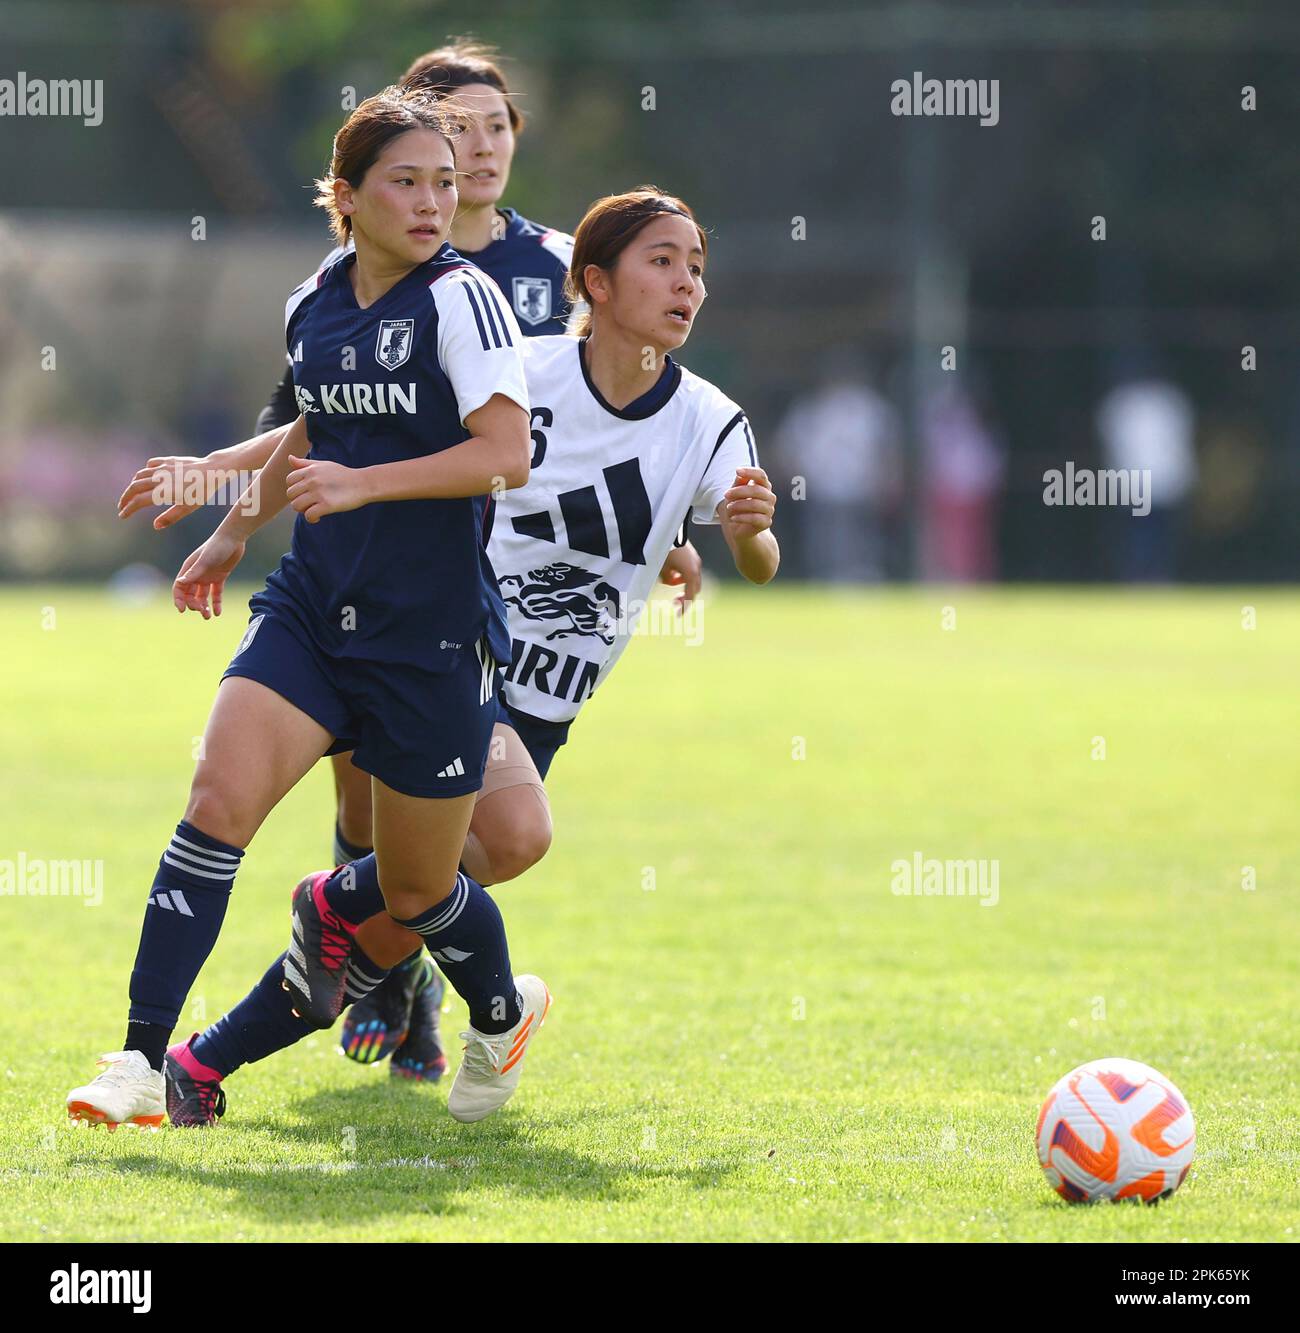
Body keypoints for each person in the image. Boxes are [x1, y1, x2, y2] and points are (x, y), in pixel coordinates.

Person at [132, 186, 779, 1126]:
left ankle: (203, 1057)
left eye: (697, 269)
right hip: (446, 652)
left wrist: (750, 535)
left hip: (546, 703)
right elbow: (339, 417)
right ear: (594, 283)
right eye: (664, 262)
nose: (688, 285)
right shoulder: (521, 368)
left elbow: (757, 561)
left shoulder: (712, 418)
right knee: (500, 846)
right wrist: (225, 482)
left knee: (386, 926)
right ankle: (407, 977)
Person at [68, 85, 550, 1130]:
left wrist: (366, 485)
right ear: (346, 195)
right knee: (214, 803)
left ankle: (502, 1011)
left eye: (443, 183)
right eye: (406, 183)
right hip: (312, 606)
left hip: (427, 636)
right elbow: (311, 433)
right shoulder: (315, 301)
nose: (433, 201)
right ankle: (142, 1059)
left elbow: (505, 454)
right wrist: (231, 512)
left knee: (418, 892)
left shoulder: (465, 300)